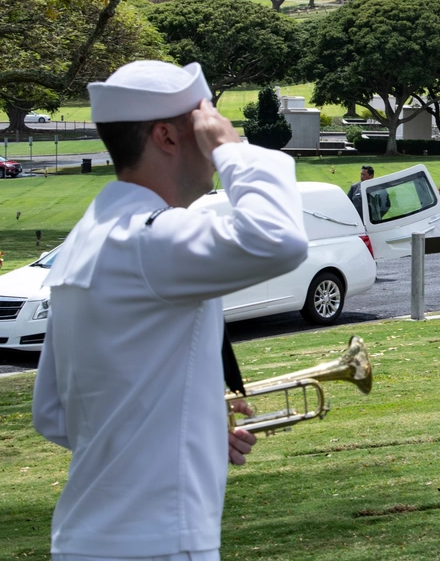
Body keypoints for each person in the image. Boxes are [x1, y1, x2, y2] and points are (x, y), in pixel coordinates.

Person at [32, 60, 309, 561]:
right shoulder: (148, 236)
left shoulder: (87, 237)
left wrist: (189, 434)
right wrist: (234, 150)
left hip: (86, 538)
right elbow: (279, 240)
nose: (217, 134)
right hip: (157, 539)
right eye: (205, 122)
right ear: (167, 136)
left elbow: (53, 413)